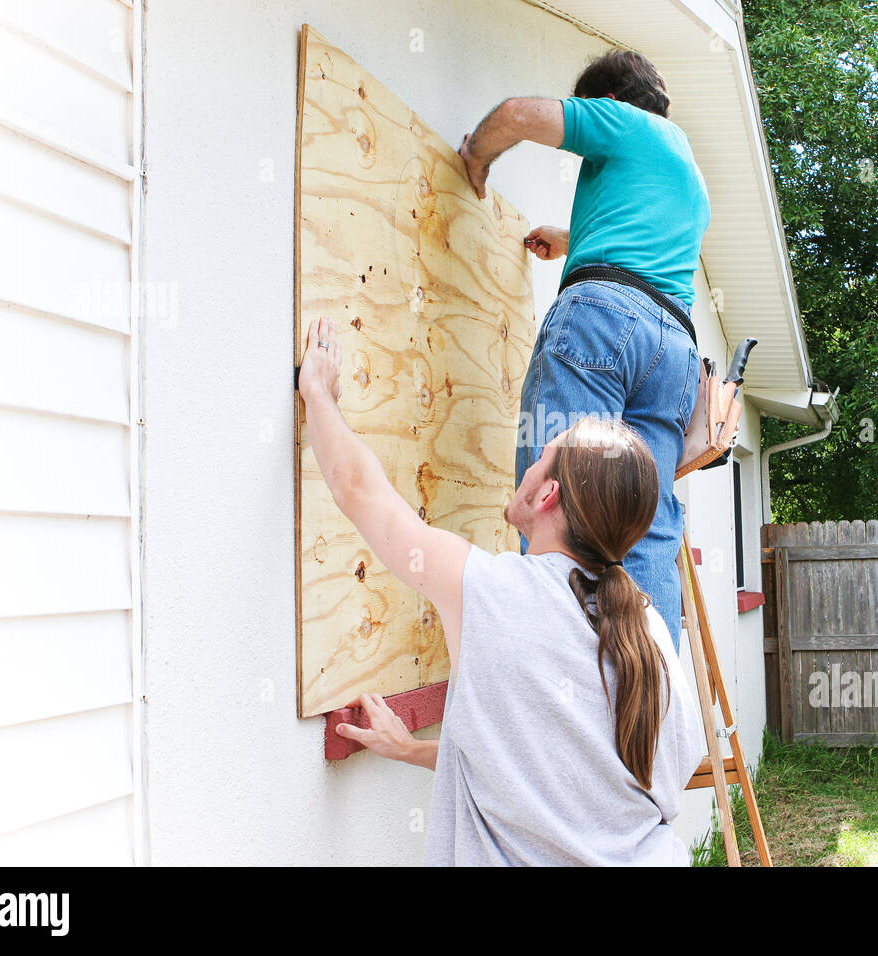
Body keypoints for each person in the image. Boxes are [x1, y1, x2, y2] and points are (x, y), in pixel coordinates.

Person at [298, 316, 705, 866]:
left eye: (540, 456)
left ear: (548, 495)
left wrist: (317, 393)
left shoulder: (490, 591)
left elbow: (356, 488)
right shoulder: (648, 628)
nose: (528, 465)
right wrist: (411, 750)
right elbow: (554, 775)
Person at [457, 49, 712, 651]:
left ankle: (556, 694)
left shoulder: (624, 122)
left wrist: (475, 156)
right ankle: (643, 714)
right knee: (640, 520)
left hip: (603, 324)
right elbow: (641, 247)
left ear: (609, 101)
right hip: (673, 351)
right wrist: (571, 241)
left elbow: (519, 114)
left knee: (561, 497)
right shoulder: (689, 174)